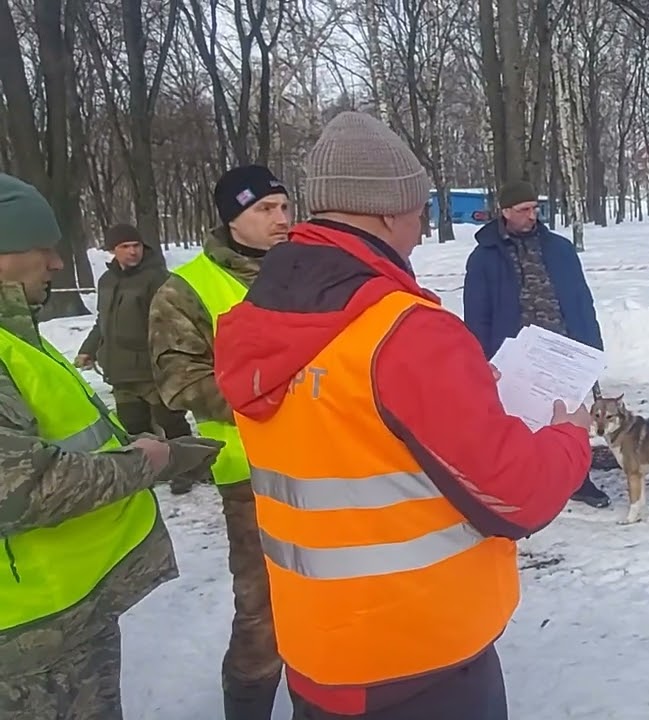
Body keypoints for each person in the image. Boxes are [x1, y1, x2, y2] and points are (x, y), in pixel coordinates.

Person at [212, 111, 594, 720]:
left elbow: (350, 431)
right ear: (390, 211)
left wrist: (459, 396)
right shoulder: (405, 333)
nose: (421, 229)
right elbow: (518, 496)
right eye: (419, 210)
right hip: (421, 659)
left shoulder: (260, 315)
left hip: (318, 650)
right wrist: (570, 435)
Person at [0, 173, 221, 718]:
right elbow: (21, 486)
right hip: (25, 635)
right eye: (42, 250)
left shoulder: (15, 336)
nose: (55, 264)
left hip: (60, 620)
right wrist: (145, 463)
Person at [148, 165, 291, 719]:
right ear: (232, 219)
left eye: (283, 206)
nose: (281, 219)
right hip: (251, 476)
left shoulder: (311, 268)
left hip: (335, 465)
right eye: (265, 210)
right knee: (262, 613)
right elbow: (181, 383)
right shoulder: (186, 289)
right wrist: (285, 400)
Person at [462, 180, 610, 509]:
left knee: (569, 414)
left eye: (534, 208)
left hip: (563, 345)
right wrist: (481, 358)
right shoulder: (484, 257)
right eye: (523, 210)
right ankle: (524, 483)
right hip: (513, 350)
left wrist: (592, 345)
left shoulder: (559, 249)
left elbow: (580, 299)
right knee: (520, 416)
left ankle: (578, 480)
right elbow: (476, 312)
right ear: (504, 212)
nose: (532, 215)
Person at [75, 224, 197, 492]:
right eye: (125, 247)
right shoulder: (107, 281)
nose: (132, 251)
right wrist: (89, 349)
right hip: (120, 370)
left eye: (136, 245)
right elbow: (102, 321)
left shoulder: (158, 278)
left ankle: (189, 469)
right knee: (133, 425)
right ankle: (147, 470)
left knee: (171, 421)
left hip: (152, 369)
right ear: (112, 250)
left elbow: (171, 323)